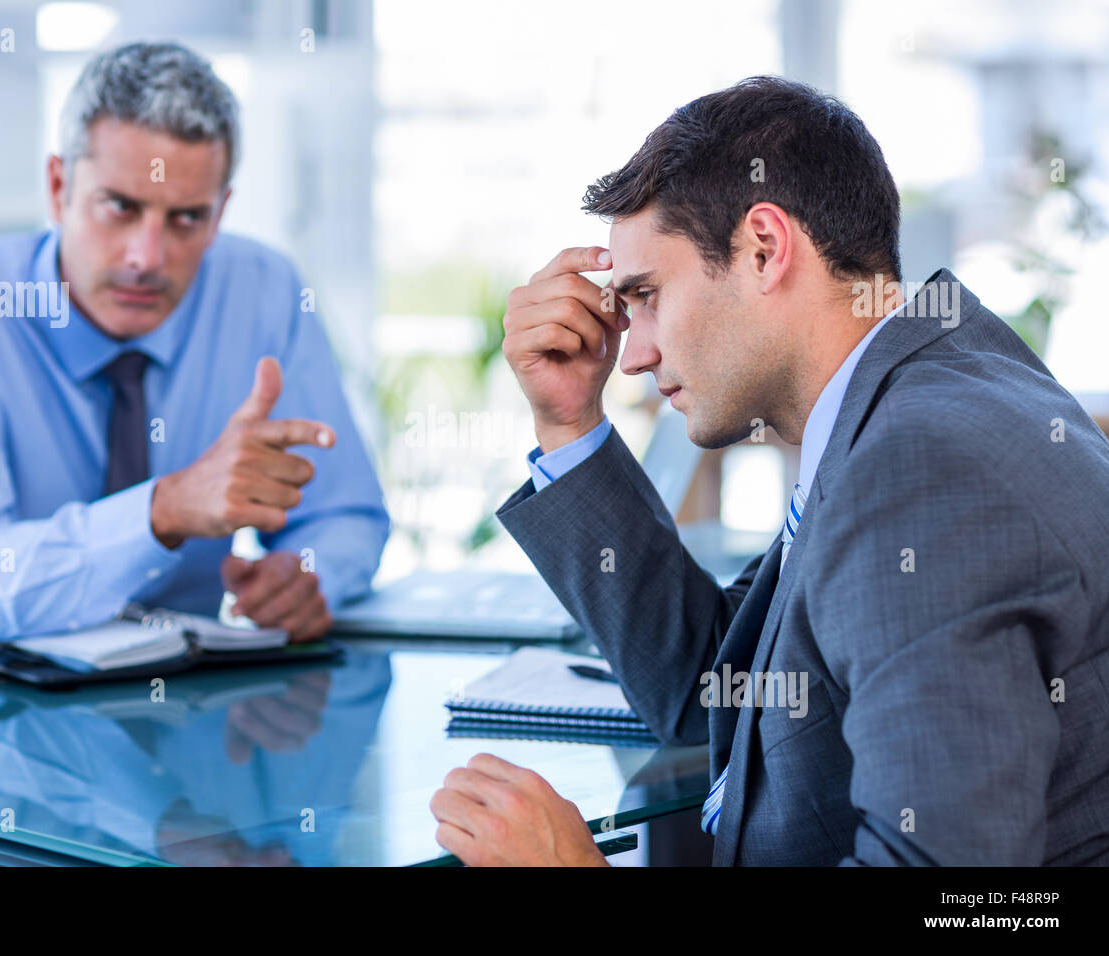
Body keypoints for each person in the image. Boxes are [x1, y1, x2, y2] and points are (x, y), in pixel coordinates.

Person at [431, 76, 1109, 866]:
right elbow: (718, 688)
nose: (635, 353)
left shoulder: (921, 475)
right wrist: (569, 422)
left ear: (763, 247)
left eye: (647, 295)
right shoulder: (918, 395)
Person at [0, 42, 389, 654]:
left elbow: (348, 517)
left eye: (186, 219)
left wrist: (308, 576)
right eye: (120, 207)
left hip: (177, 704)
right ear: (57, 187)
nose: (146, 258)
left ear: (221, 211)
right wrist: (164, 511)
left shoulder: (265, 292)